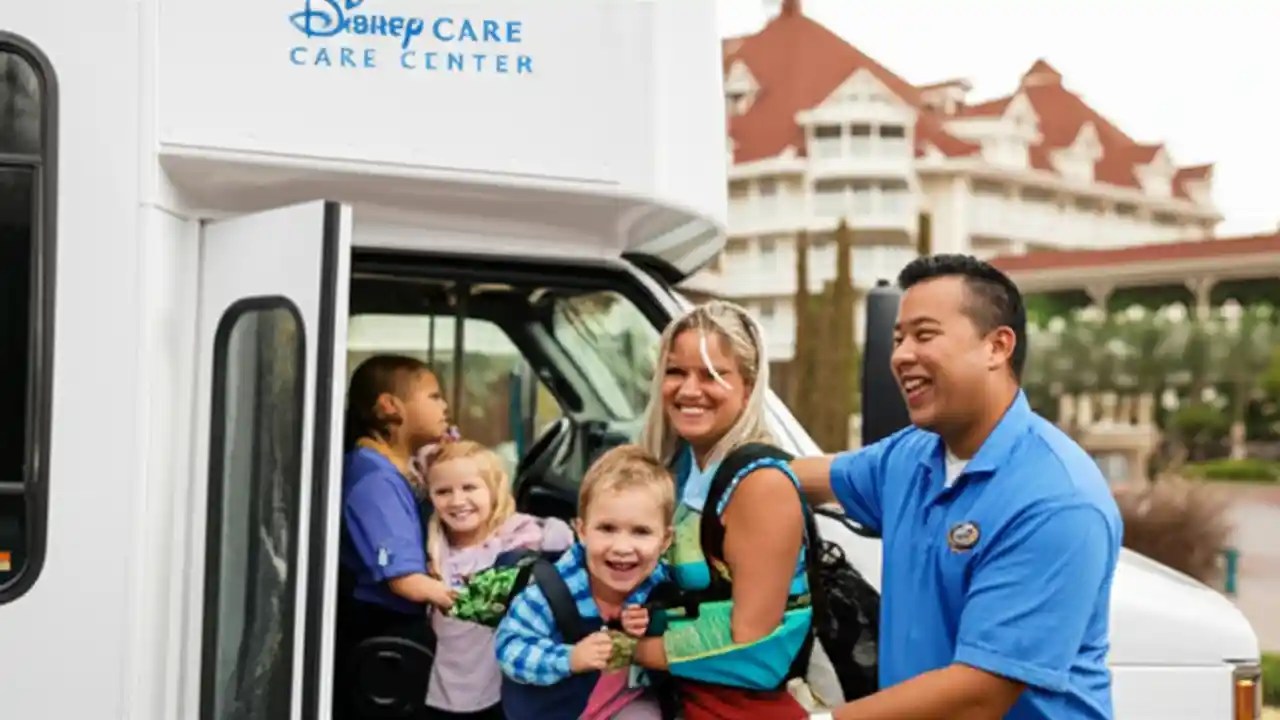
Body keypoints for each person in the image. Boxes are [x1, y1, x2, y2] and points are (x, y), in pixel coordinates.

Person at [791, 254, 1123, 720]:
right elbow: (805, 478)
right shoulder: (911, 456)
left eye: (924, 335)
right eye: (898, 338)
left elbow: (979, 693)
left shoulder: (1056, 499)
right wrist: (709, 477)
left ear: (996, 347)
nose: (902, 355)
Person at [631, 301, 813, 720]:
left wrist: (627, 651)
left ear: (748, 388)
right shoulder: (673, 468)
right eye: (676, 372)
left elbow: (749, 640)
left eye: (713, 375)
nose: (690, 390)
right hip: (676, 699)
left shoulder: (761, 484)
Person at [495, 444, 675, 720]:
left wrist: (639, 624)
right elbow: (510, 648)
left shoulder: (659, 582)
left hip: (620, 703)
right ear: (581, 531)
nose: (622, 547)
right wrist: (569, 658)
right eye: (607, 528)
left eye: (641, 531)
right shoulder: (548, 593)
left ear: (665, 541)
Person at [419, 439, 575, 719]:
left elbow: (560, 536)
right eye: (443, 491)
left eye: (469, 488)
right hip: (443, 686)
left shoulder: (512, 538)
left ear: (493, 491)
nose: (457, 501)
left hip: (498, 690)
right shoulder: (433, 546)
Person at [335, 354, 455, 707]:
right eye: (434, 397)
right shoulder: (374, 481)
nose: (444, 406)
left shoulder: (396, 470)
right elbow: (403, 580)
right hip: (386, 630)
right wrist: (471, 602)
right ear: (390, 406)